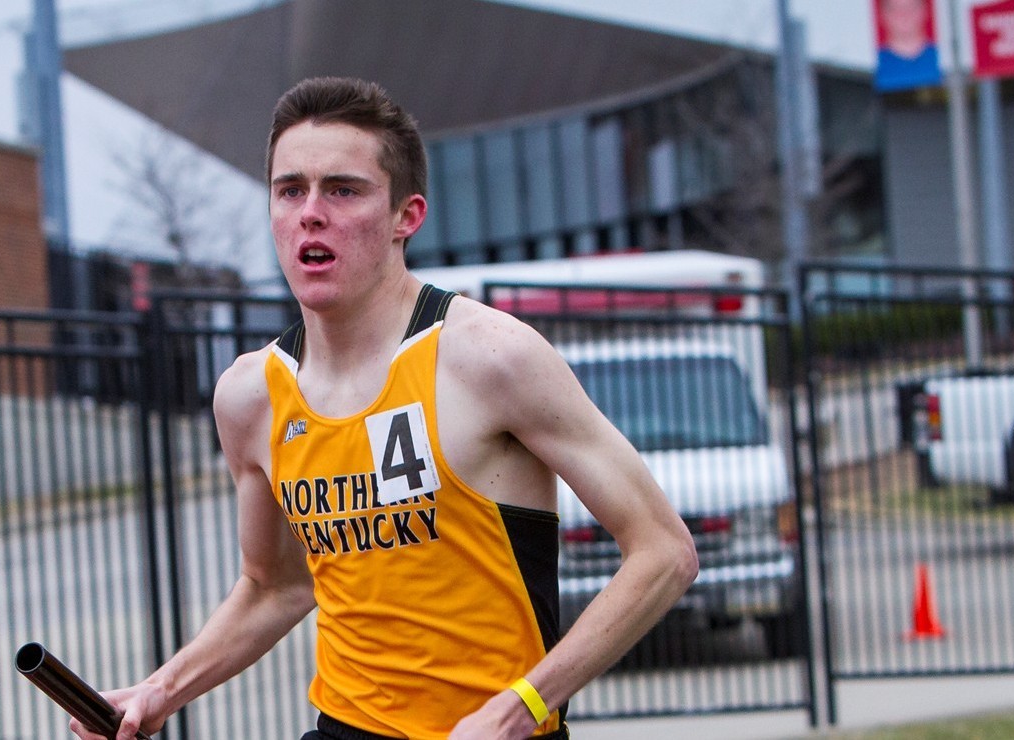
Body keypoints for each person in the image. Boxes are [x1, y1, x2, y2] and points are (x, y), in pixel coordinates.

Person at [68, 78, 698, 740]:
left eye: (342, 190)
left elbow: (663, 551)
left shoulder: (488, 357)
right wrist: (158, 691)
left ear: (407, 216)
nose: (311, 212)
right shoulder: (250, 395)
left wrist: (519, 709)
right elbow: (274, 586)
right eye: (291, 191)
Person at [875, 0, 942, 92]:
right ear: (883, 14)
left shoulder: (943, 58)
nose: (904, 15)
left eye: (912, 7)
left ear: (924, 10)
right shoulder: (872, 63)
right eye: (895, 9)